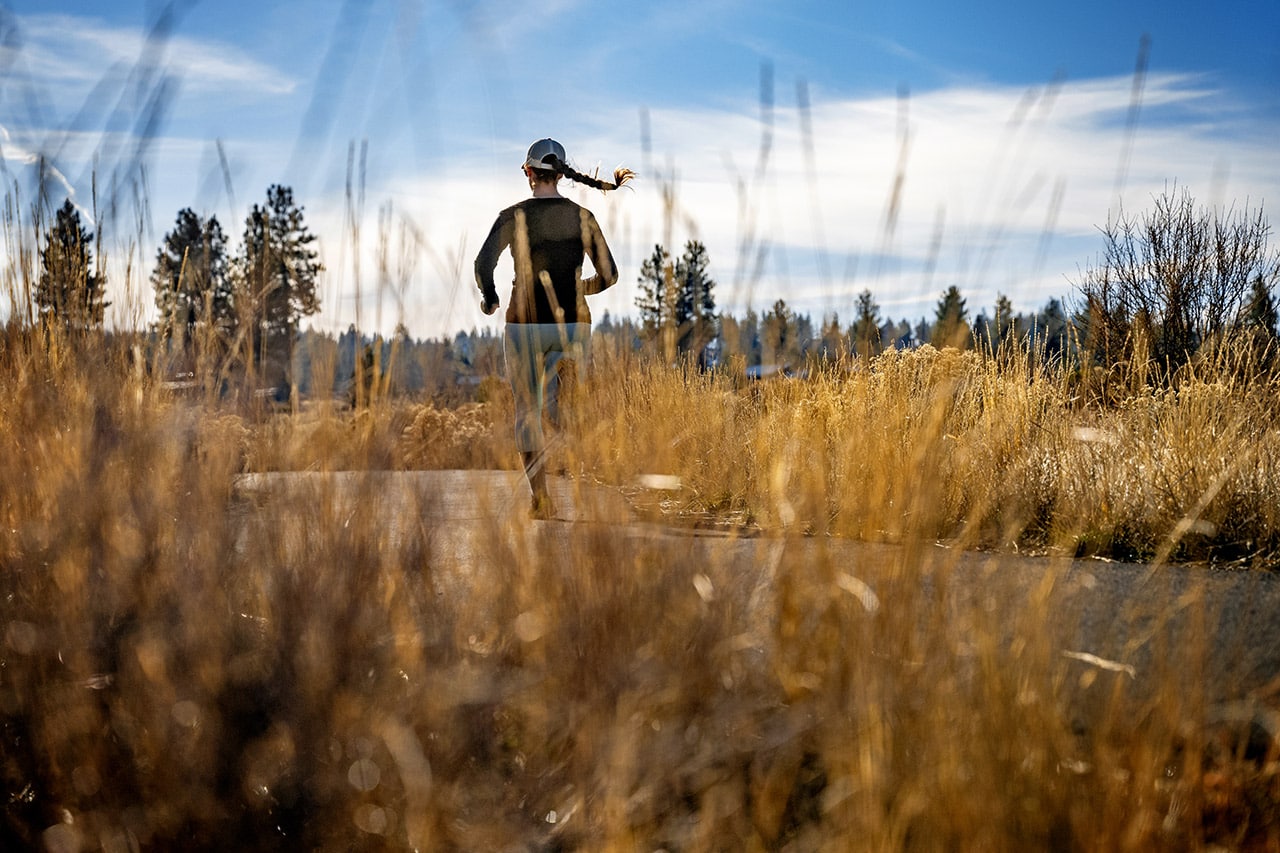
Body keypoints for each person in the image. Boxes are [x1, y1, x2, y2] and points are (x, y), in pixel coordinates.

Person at [474, 138, 633, 517]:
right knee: (564, 408)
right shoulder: (582, 217)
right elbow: (609, 275)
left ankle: (540, 498)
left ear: (529, 172)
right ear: (561, 174)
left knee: (526, 412)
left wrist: (491, 297)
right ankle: (564, 390)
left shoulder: (512, 216)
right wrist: (580, 288)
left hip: (523, 324)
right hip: (571, 324)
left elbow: (483, 263)